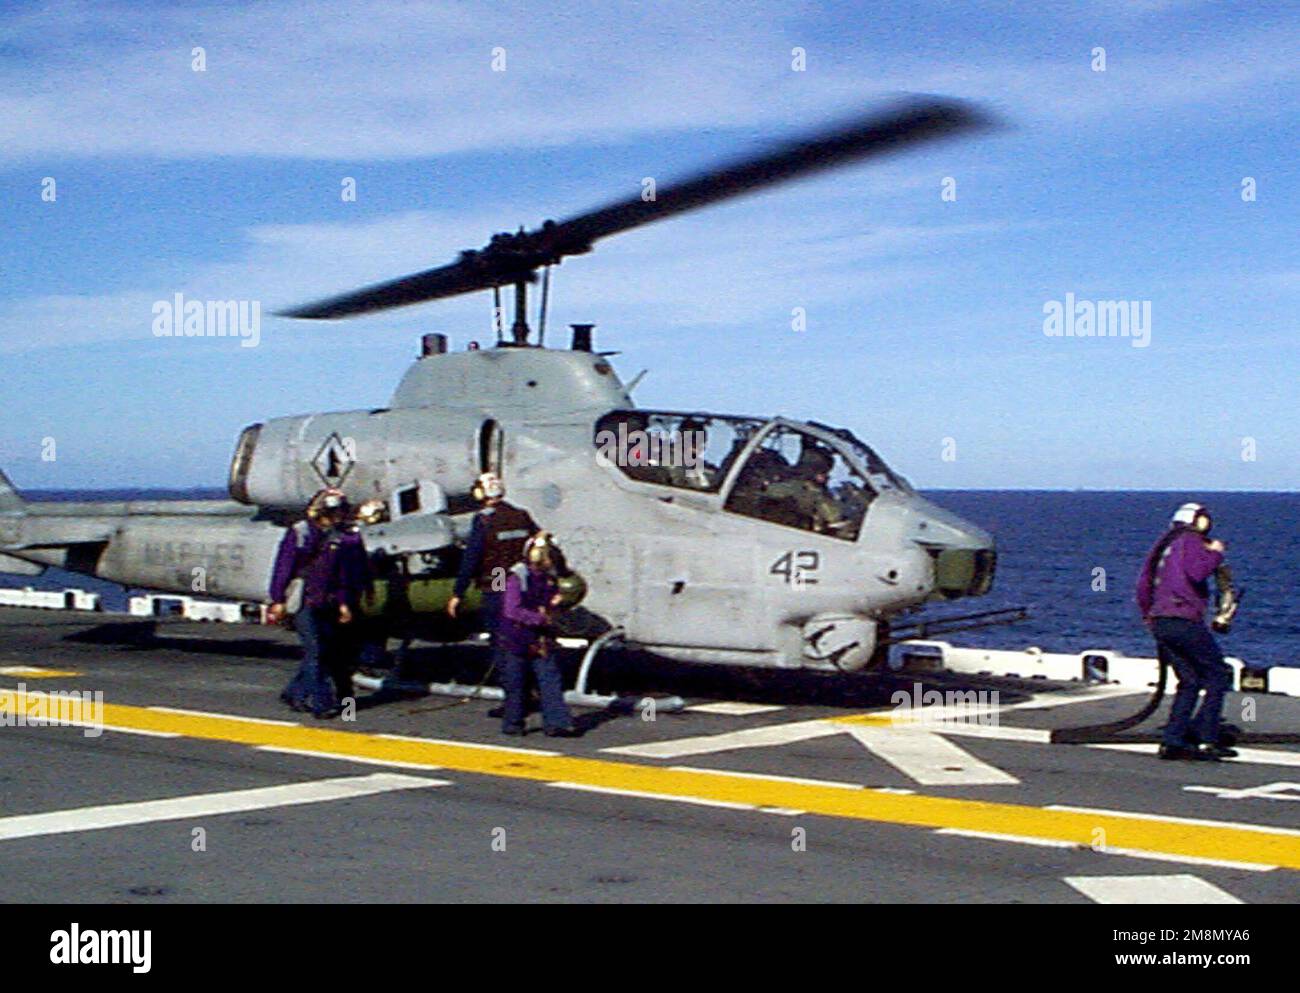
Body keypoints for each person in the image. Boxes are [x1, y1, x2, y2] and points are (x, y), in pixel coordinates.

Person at [1136, 502, 1236, 761]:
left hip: (1161, 621)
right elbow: (1197, 571)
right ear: (1198, 520)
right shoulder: (1190, 540)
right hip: (1183, 619)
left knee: (1189, 681)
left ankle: (1173, 741)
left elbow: (1143, 585)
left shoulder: (1164, 545)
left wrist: (1150, 617)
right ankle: (1206, 739)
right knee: (1217, 675)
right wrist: (1215, 553)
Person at [268, 488, 370, 718]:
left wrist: (344, 603)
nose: (339, 515)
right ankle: (321, 704)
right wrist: (277, 599)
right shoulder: (301, 533)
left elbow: (343, 574)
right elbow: (284, 567)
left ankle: (294, 692)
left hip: (329, 601)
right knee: (316, 651)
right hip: (304, 599)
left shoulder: (343, 537)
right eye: (335, 511)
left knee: (325, 651)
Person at [496, 531, 579, 737]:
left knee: (550, 679)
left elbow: (547, 601)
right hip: (517, 637)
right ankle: (513, 722)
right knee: (516, 683)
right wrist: (539, 618)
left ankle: (557, 723)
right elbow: (511, 610)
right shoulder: (517, 577)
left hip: (540, 637)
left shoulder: (548, 579)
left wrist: (555, 604)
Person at [447, 472, 537, 640]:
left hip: (498, 574)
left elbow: (472, 556)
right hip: (524, 578)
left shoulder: (484, 519)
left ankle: (505, 659)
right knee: (526, 627)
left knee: (500, 628)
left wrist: (458, 592)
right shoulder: (521, 515)